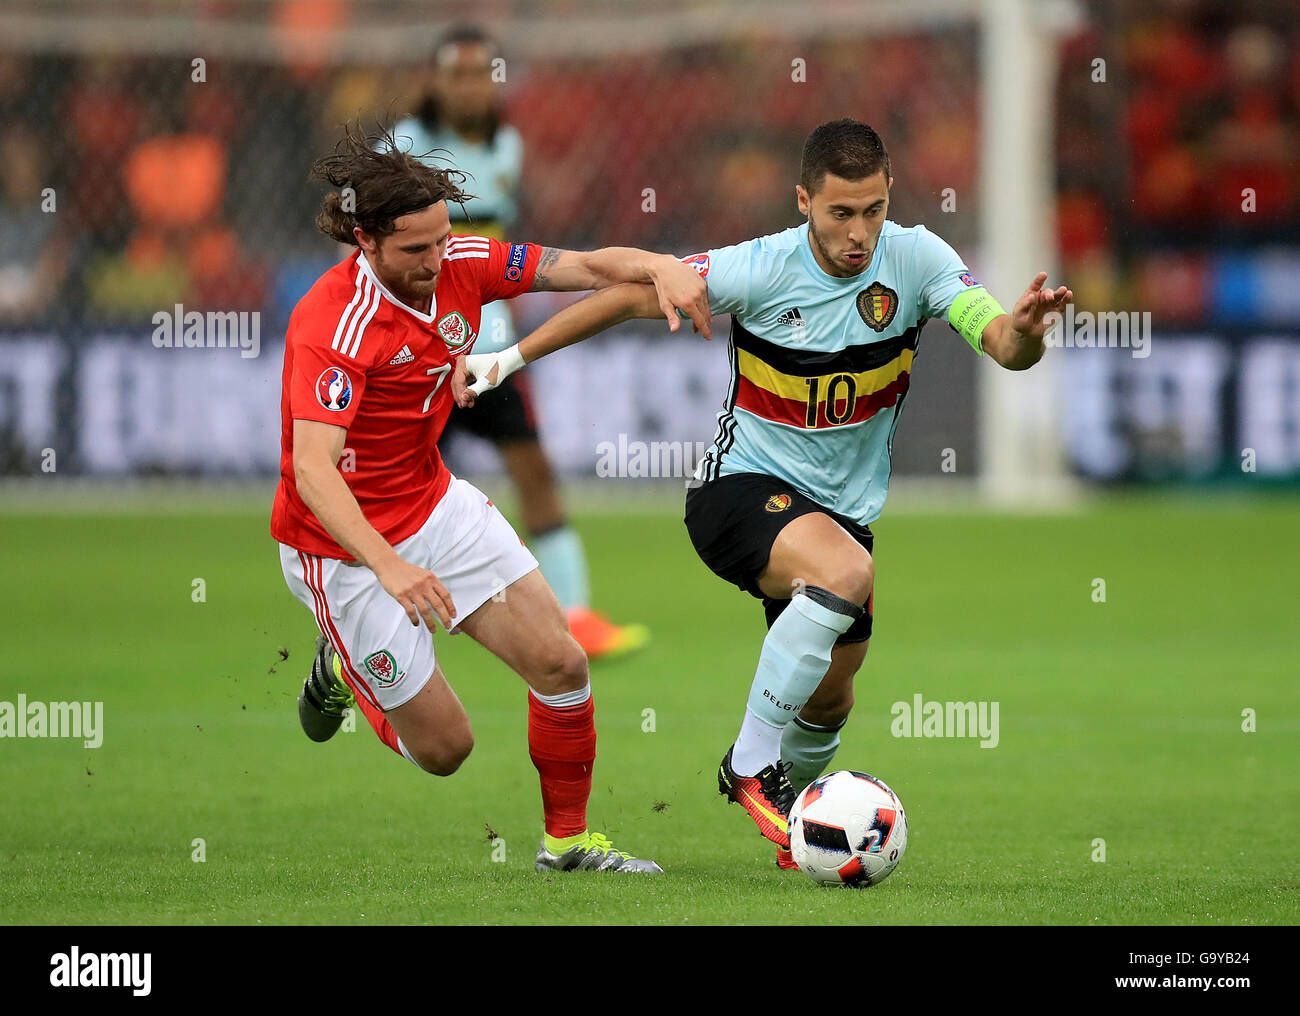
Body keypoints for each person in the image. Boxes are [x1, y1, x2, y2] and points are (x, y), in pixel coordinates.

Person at [456, 117, 1072, 869]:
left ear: (891, 199)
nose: (859, 232)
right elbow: (625, 295)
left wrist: (1027, 330)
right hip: (738, 491)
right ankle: (750, 766)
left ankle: (802, 837)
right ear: (803, 200)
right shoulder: (759, 267)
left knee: (829, 704)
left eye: (873, 210)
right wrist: (508, 357)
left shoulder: (919, 261)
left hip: (839, 516)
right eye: (840, 213)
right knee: (846, 576)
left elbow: (1002, 343)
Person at [272, 124, 709, 873]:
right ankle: (341, 670)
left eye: (443, 242)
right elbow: (313, 471)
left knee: (562, 663)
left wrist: (659, 266)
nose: (436, 262)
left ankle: (567, 845)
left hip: (433, 503)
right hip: (341, 549)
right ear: (365, 242)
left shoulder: (462, 260)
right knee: (446, 750)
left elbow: (582, 266)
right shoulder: (331, 323)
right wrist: (389, 569)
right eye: (415, 251)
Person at [390, 24, 648, 661]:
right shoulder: (401, 147)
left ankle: (578, 616)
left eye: (482, 73)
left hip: (490, 346)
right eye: (458, 74)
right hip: (422, 350)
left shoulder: (508, 144)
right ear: (434, 81)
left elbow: (495, 249)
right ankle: (364, 621)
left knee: (533, 468)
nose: (471, 86)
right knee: (400, 483)